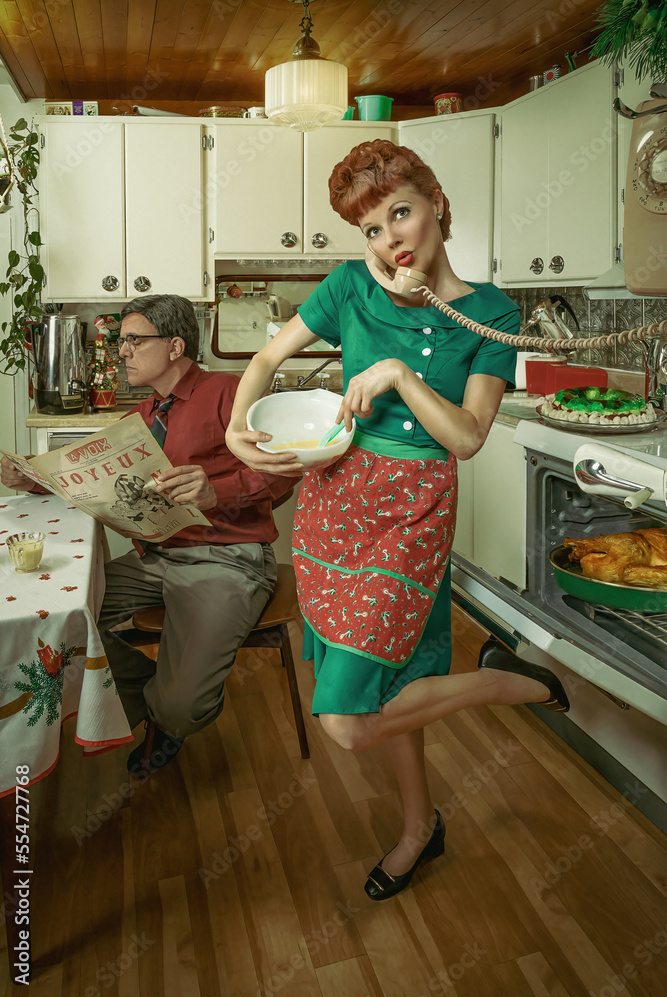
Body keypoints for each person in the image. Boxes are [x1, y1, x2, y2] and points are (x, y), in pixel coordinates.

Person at [225, 139, 570, 901]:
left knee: (348, 719)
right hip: (334, 502)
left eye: (401, 213)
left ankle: (498, 684)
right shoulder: (349, 287)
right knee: (391, 683)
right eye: (373, 229)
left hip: (414, 512)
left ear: (437, 203)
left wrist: (399, 376)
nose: (390, 240)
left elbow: (468, 437)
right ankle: (420, 829)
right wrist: (235, 429)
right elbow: (263, 360)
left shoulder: (488, 311)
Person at [1, 294, 296, 777]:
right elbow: (82, 466)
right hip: (156, 559)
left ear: (175, 345)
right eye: (121, 342)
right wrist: (28, 476)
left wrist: (215, 491)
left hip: (226, 558)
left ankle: (166, 713)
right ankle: (149, 686)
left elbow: (285, 470)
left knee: (183, 709)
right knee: (51, 618)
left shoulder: (229, 391)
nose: (121, 351)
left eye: (133, 340)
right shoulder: (143, 416)